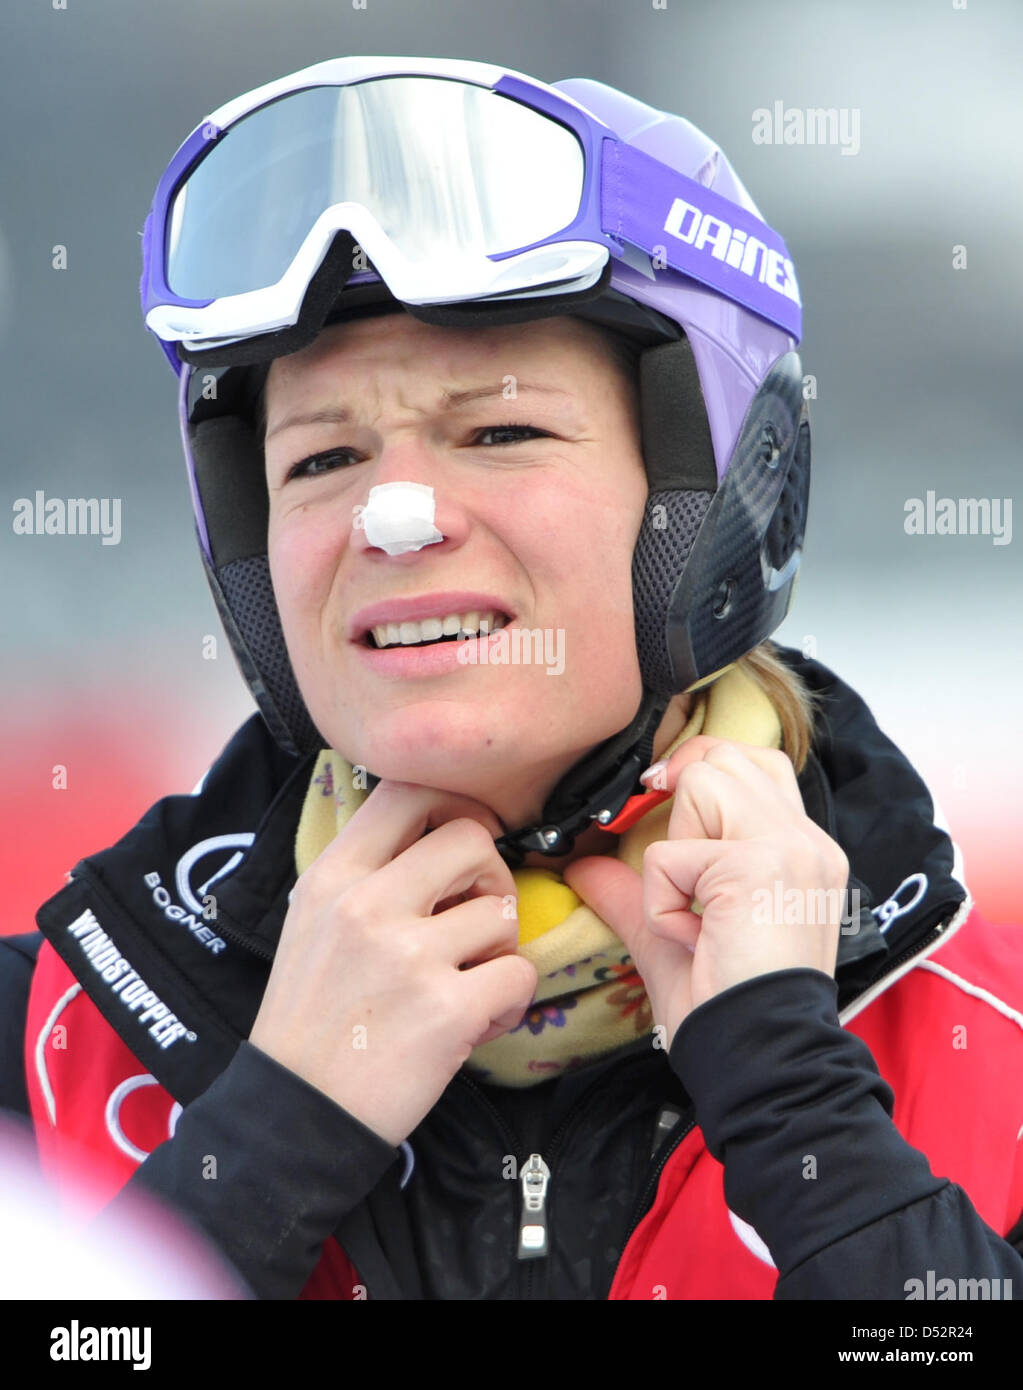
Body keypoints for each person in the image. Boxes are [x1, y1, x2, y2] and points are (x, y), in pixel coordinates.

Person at [3, 55, 1022, 1302]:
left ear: (721, 490)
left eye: (500, 433)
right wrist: (274, 1135)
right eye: (323, 458)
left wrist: (790, 1090)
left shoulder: (986, 1041)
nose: (395, 518)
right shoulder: (50, 1042)